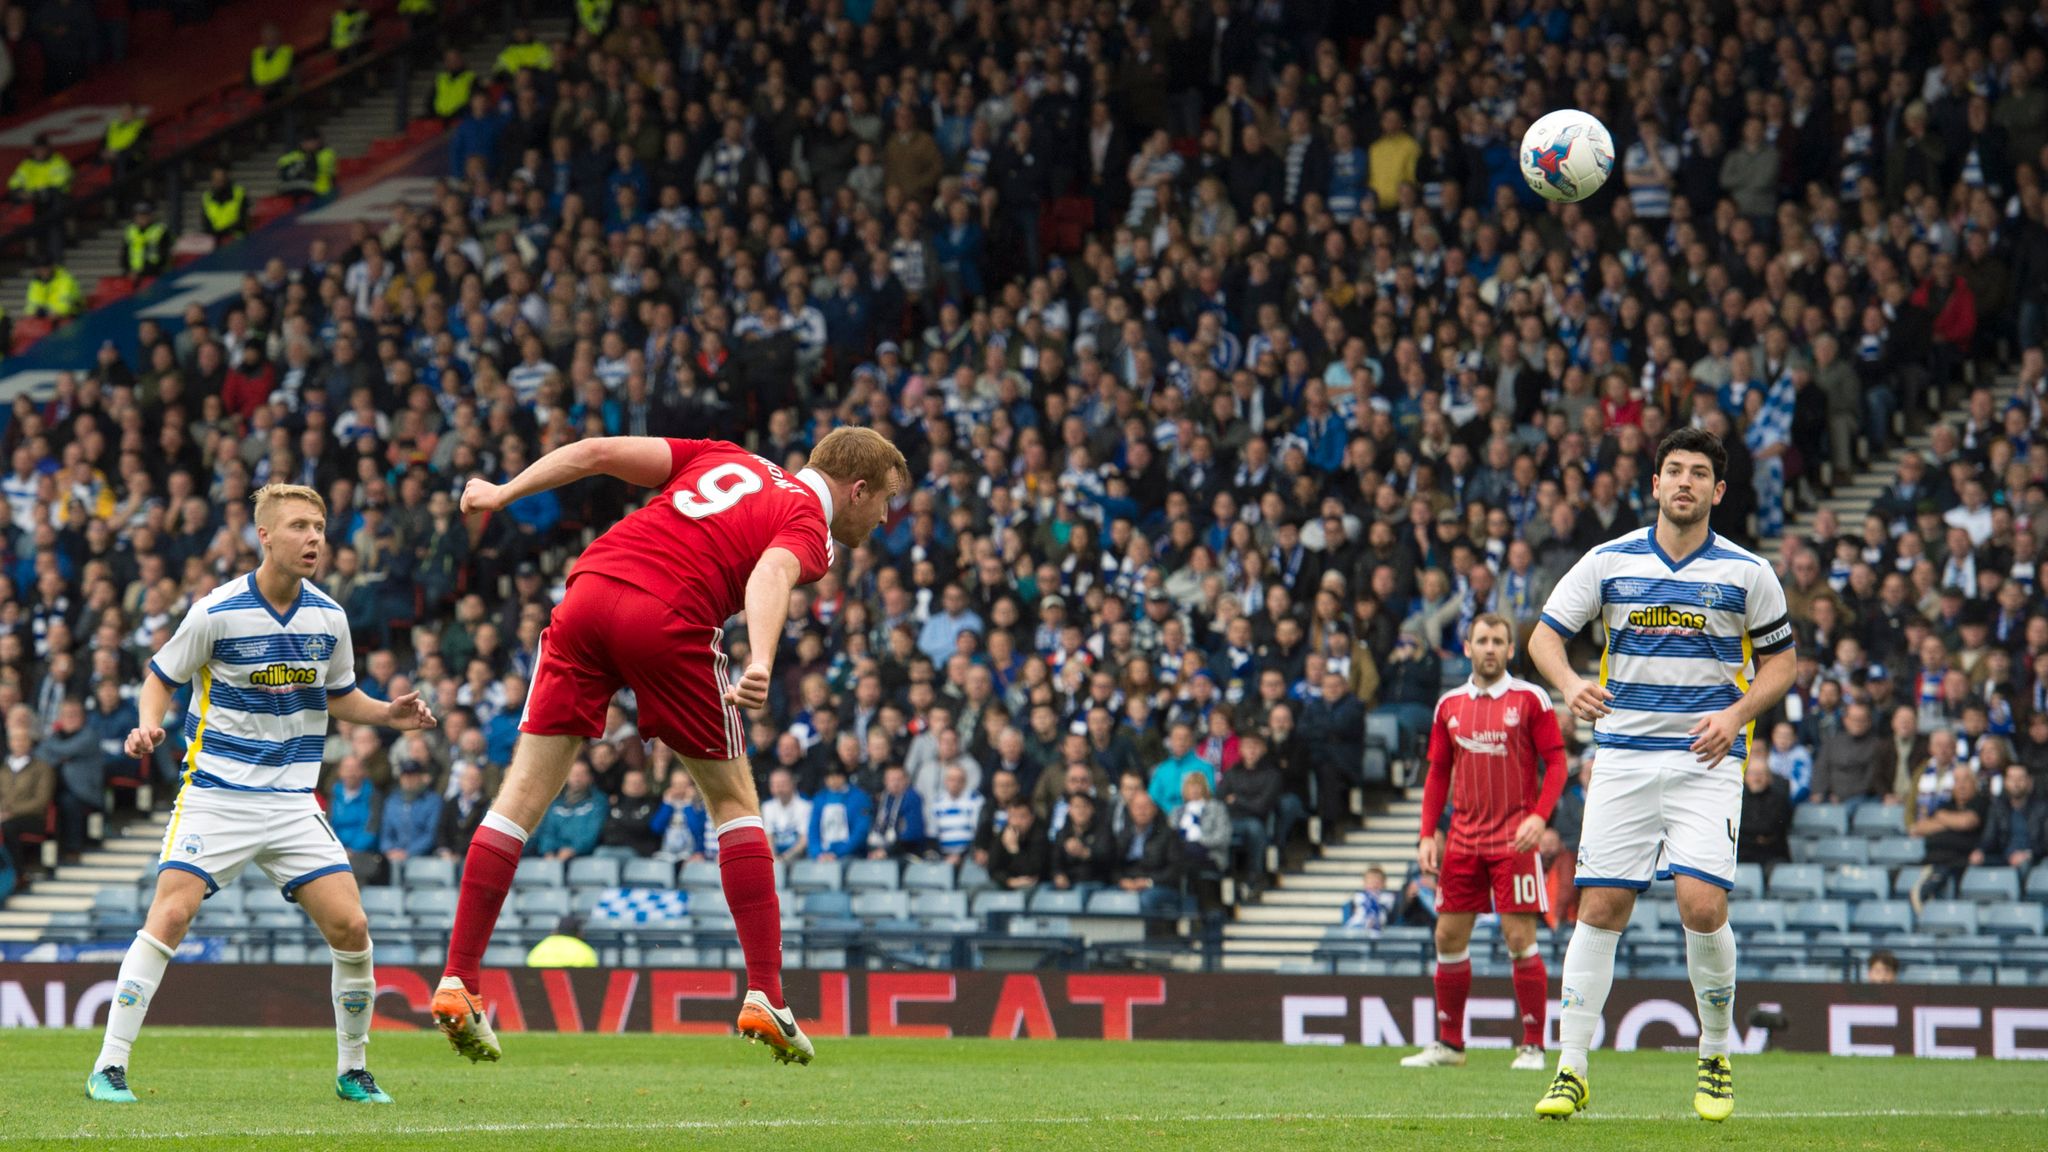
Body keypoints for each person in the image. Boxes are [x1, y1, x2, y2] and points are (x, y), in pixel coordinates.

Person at [431, 428, 904, 1068]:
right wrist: (761, 657)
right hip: (666, 615)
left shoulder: (725, 455)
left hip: (589, 591)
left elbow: (596, 453)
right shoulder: (808, 522)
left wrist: (503, 491)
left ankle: (459, 977)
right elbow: (772, 571)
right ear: (857, 489)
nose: (884, 518)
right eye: (884, 502)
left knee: (516, 801)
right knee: (735, 803)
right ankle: (766, 990)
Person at [89, 483, 437, 1104]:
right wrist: (146, 724)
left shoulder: (329, 617)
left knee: (353, 925)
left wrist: (389, 714)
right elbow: (160, 677)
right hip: (216, 792)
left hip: (291, 800)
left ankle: (353, 1070)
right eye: (300, 526)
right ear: (266, 536)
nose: (314, 539)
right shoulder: (216, 612)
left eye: (320, 527)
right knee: (170, 914)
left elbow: (337, 693)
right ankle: (108, 1067)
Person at [1529, 428, 1796, 1122]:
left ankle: (1714, 1054)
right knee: (1599, 909)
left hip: (1705, 762)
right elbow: (1544, 635)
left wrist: (1736, 716)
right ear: (1653, 485)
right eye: (1672, 470)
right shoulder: (1606, 560)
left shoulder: (1748, 572)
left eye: (1698, 473)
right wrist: (1566, 682)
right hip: (1621, 759)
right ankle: (1572, 1068)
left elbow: (1783, 664)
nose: (1684, 482)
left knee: (1701, 907)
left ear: (1718, 491)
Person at [1401, 613, 1565, 1073]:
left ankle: (1533, 1045)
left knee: (1519, 940)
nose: (1490, 648)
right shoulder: (1448, 705)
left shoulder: (1531, 699)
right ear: (1468, 647)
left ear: (1511, 650)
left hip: (1514, 840)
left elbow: (1556, 764)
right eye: (1482, 640)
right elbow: (1437, 774)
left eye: (1498, 641)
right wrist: (1426, 833)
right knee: (1447, 937)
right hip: (1462, 841)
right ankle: (1450, 1045)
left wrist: (1539, 816)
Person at [1973, 762, 2045, 870]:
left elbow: (2045, 844)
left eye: (2020, 779)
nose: (2016, 783)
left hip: (2033, 860)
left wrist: (2028, 854)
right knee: (1976, 863)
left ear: (2030, 782)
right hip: (2004, 859)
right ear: (2005, 782)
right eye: (2011, 779)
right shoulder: (1997, 807)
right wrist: (1980, 851)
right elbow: (1989, 838)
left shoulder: (2042, 808)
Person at [1737, 759, 1793, 865]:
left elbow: (1770, 827)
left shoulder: (1779, 799)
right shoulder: (1737, 799)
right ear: (1745, 777)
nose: (1756, 778)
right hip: (1743, 853)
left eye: (1761, 774)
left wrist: (1747, 833)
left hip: (1772, 854)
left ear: (1769, 778)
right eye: (1753, 774)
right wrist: (1758, 837)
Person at [758, 768, 810, 861]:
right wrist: (774, 859)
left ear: (792, 784)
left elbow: (804, 840)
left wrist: (785, 858)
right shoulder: (767, 807)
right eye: (775, 784)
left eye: (782, 784)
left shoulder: (805, 806)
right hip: (776, 858)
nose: (779, 788)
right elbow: (769, 837)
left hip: (800, 858)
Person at [1342, 865, 1396, 934]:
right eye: (1371, 882)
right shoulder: (1359, 895)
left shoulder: (1387, 896)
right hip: (1358, 926)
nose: (1374, 885)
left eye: (1377, 882)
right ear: (1365, 884)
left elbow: (1388, 907)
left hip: (1379, 927)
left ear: (1384, 884)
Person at [200, 168, 248, 241]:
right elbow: (206, 223)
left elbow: (243, 220)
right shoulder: (207, 197)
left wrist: (226, 231)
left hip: (236, 240)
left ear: (226, 178)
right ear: (212, 181)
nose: (219, 182)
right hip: (215, 242)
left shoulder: (239, 193)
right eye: (216, 179)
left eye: (221, 179)